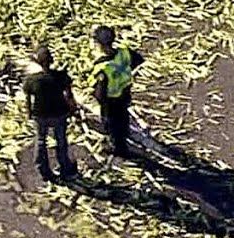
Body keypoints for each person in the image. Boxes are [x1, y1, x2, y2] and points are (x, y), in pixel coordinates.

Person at [23, 46, 79, 181]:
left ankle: (43, 169)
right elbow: (69, 95)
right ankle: (65, 167)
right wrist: (73, 109)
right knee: (61, 140)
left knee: (41, 140)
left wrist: (29, 112)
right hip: (59, 112)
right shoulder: (61, 77)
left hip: (40, 114)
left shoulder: (32, 80)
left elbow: (28, 99)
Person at [92, 25, 145, 158]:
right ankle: (125, 131)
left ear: (99, 44)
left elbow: (100, 93)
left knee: (111, 123)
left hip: (111, 100)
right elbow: (139, 60)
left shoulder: (103, 67)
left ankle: (118, 147)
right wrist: (124, 72)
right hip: (125, 92)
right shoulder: (124, 53)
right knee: (123, 115)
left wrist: (98, 99)